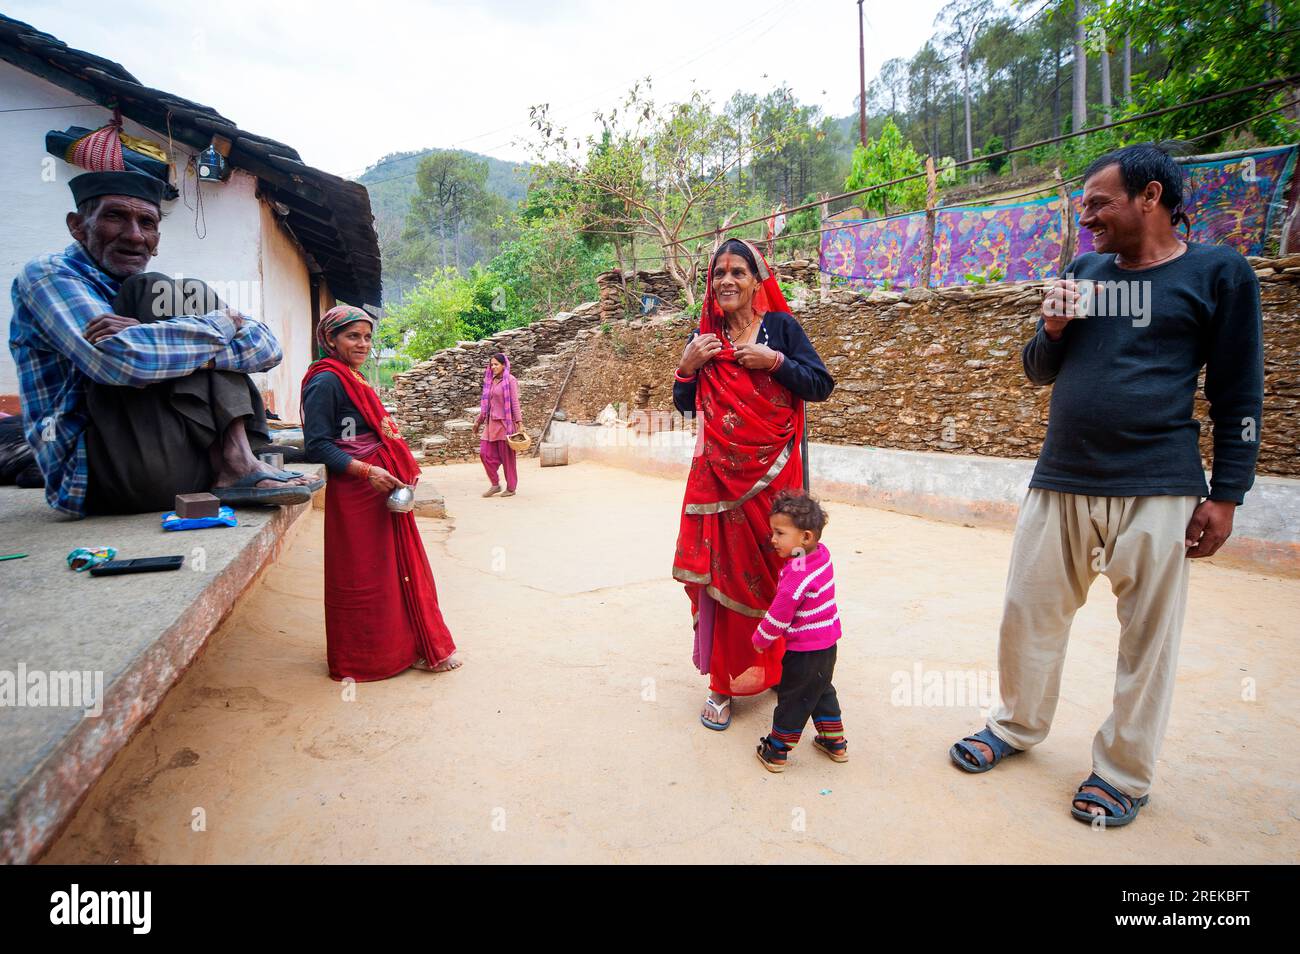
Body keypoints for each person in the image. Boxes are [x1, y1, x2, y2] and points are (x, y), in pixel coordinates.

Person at [949, 143, 1265, 828]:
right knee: (1027, 614)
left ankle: (1122, 771)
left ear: (1150, 197)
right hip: (1062, 475)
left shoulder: (1219, 273)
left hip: (1159, 483)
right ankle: (1013, 726)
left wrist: (1228, 493)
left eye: (1098, 202)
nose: (1086, 217)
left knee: (1147, 639)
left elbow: (1239, 392)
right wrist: (1053, 325)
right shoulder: (1085, 270)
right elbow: (1039, 369)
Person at [8, 170, 318, 517]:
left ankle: (238, 462)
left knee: (184, 294)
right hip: (102, 476)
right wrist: (216, 326)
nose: (135, 235)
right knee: (164, 293)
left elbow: (268, 348)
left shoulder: (155, 297)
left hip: (176, 460)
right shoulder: (48, 275)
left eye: (147, 223)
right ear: (78, 226)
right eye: (114, 216)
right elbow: (120, 363)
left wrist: (155, 335)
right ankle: (238, 462)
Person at [672, 237, 835, 730]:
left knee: (780, 570)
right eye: (718, 272)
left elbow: (820, 384)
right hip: (719, 481)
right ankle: (723, 684)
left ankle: (785, 664)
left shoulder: (782, 328)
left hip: (774, 478)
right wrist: (687, 367)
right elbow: (685, 404)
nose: (726, 280)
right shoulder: (704, 335)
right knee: (723, 576)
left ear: (756, 279)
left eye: (738, 272)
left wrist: (777, 363)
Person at [301, 305, 462, 681]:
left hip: (379, 487)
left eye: (368, 337)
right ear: (330, 339)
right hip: (358, 491)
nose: (363, 344)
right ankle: (368, 658)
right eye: (352, 336)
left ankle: (408, 647)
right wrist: (366, 469)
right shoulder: (326, 381)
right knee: (365, 576)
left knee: (396, 570)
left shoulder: (351, 377)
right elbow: (318, 445)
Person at [752, 490, 846, 773]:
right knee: (821, 690)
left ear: (805, 537)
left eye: (780, 533)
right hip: (828, 644)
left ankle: (777, 751)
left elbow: (780, 614)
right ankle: (834, 742)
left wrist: (760, 639)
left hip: (805, 650)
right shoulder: (822, 555)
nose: (773, 540)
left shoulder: (796, 574)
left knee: (794, 698)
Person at [472, 352, 523, 498]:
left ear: (503, 365)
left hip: (505, 424)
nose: (493, 367)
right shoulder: (490, 381)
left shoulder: (511, 380)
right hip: (490, 424)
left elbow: (514, 402)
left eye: (496, 364)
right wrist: (478, 421)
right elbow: (486, 405)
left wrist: (519, 423)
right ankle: (495, 484)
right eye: (492, 364)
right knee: (484, 453)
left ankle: (511, 488)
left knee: (507, 458)